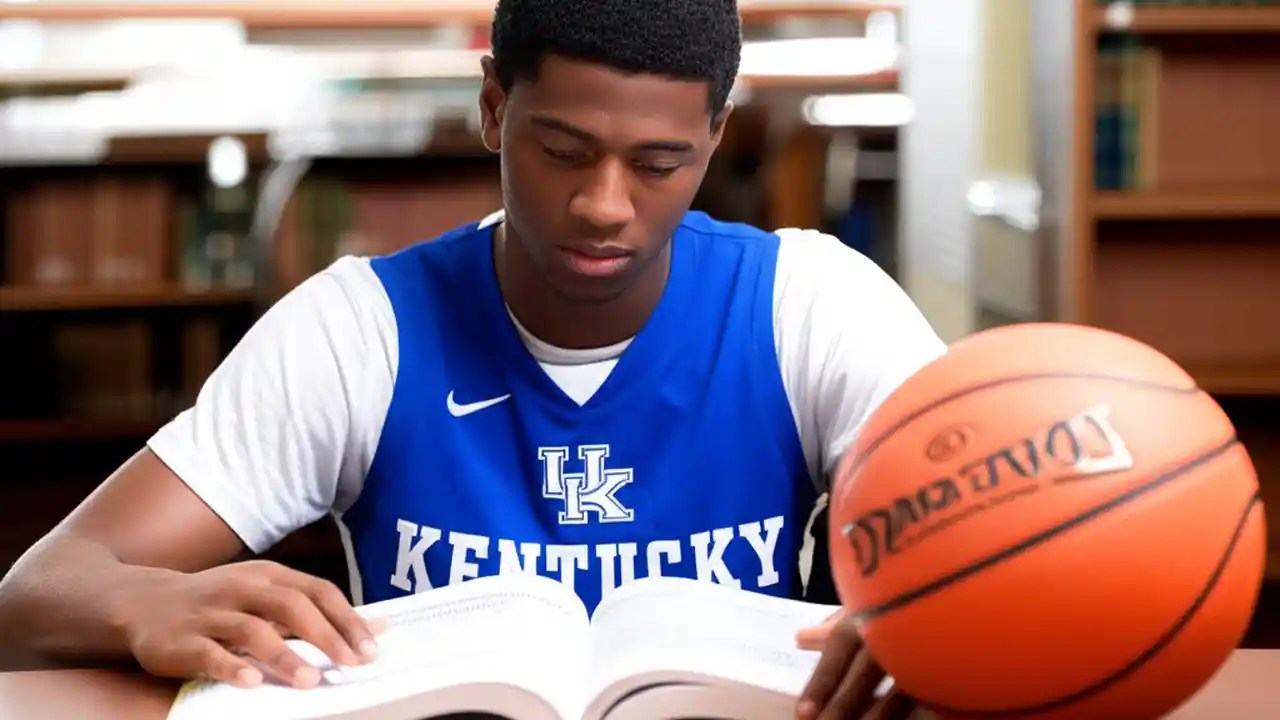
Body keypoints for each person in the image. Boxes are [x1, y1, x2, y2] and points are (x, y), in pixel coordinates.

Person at [0, 1, 945, 718]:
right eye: (563, 150)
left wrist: (936, 605)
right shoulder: (356, 329)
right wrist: (140, 604)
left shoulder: (810, 303)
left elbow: (997, 536)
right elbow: (35, 592)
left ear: (715, 138)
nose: (604, 205)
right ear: (494, 106)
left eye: (658, 164)